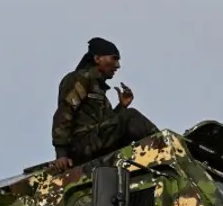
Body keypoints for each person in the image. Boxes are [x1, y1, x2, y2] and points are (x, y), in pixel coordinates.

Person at [50, 37, 158, 172]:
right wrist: (61, 155)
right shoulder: (80, 78)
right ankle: (165, 146)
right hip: (82, 145)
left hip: (93, 143)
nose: (117, 65)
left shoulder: (98, 89)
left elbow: (109, 125)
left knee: (127, 117)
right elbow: (64, 112)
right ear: (97, 59)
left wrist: (121, 106)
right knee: (131, 116)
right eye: (114, 58)